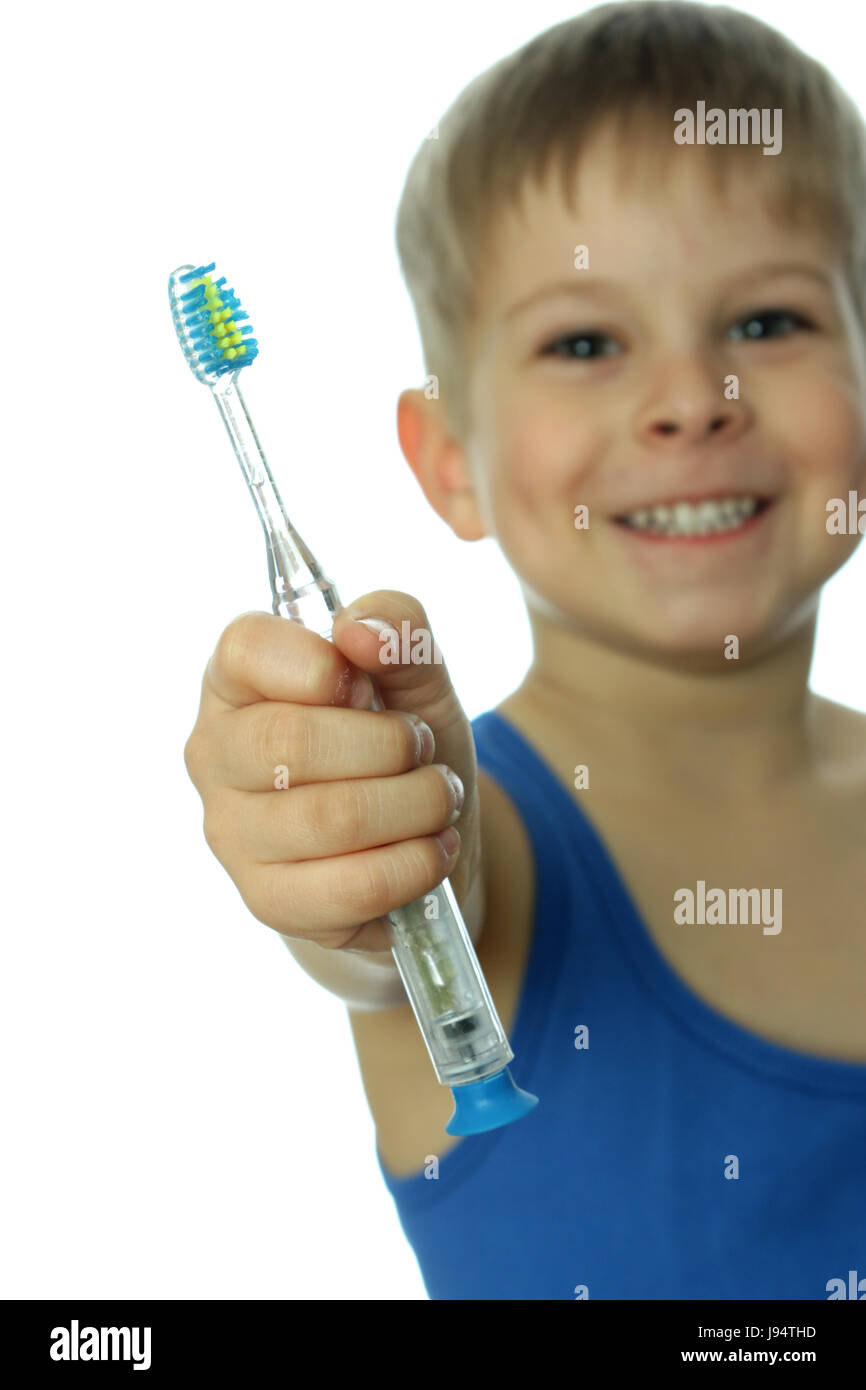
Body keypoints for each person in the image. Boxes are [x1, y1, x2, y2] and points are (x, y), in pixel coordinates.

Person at [183, 2, 866, 1298]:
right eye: (585, 342)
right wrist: (349, 824)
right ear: (450, 461)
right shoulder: (469, 844)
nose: (687, 402)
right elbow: (382, 925)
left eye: (767, 322)